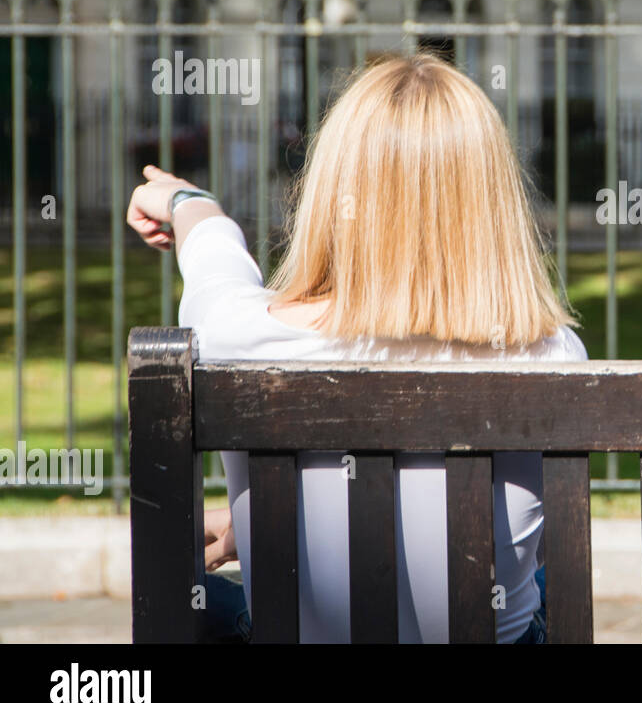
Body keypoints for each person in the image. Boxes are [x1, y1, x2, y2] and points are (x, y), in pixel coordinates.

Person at [127, 52, 584, 643]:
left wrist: (189, 203)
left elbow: (215, 263)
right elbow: (523, 537)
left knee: (207, 603)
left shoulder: (236, 336)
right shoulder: (549, 355)